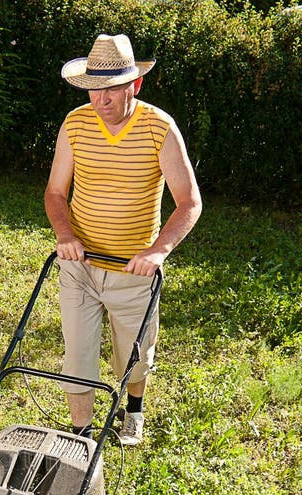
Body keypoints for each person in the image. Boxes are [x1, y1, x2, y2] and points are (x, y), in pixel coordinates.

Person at [45, 33, 202, 445]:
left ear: (135, 84)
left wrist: (158, 251)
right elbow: (55, 192)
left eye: (112, 88)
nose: (102, 99)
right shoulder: (75, 124)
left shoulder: (159, 128)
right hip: (80, 264)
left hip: (133, 270)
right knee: (78, 356)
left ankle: (133, 410)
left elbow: (189, 202)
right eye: (94, 88)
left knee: (133, 355)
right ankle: (81, 438)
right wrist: (65, 234)